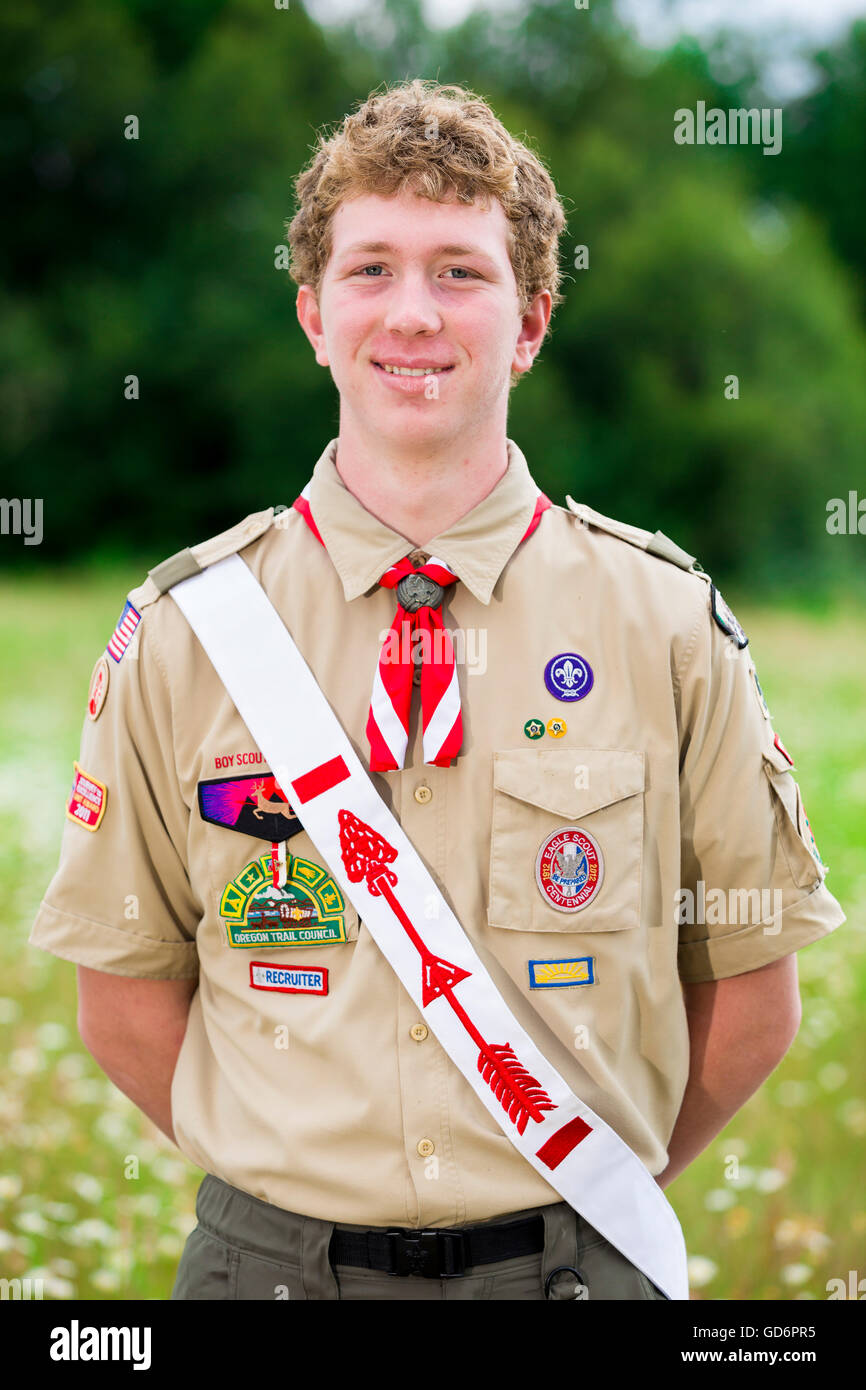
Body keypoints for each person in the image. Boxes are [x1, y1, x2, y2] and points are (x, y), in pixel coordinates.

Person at [31, 79, 845, 1302]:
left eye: (459, 272)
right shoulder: (185, 635)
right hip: (271, 1275)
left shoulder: (668, 623)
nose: (411, 312)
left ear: (530, 323)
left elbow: (746, 991)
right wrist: (297, 1188)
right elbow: (123, 1001)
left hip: (573, 1272)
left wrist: (592, 1203)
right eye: (371, 270)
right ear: (313, 315)